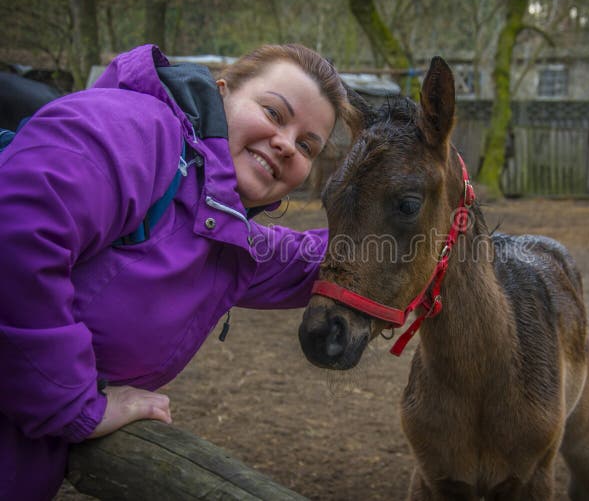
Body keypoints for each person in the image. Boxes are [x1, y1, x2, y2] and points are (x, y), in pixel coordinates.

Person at [0, 43, 361, 500]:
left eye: (307, 145)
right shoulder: (137, 131)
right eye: (273, 113)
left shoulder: (221, 229)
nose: (287, 144)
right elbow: (16, 232)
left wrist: (424, 232)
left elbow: (308, 258)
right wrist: (74, 404)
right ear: (222, 92)